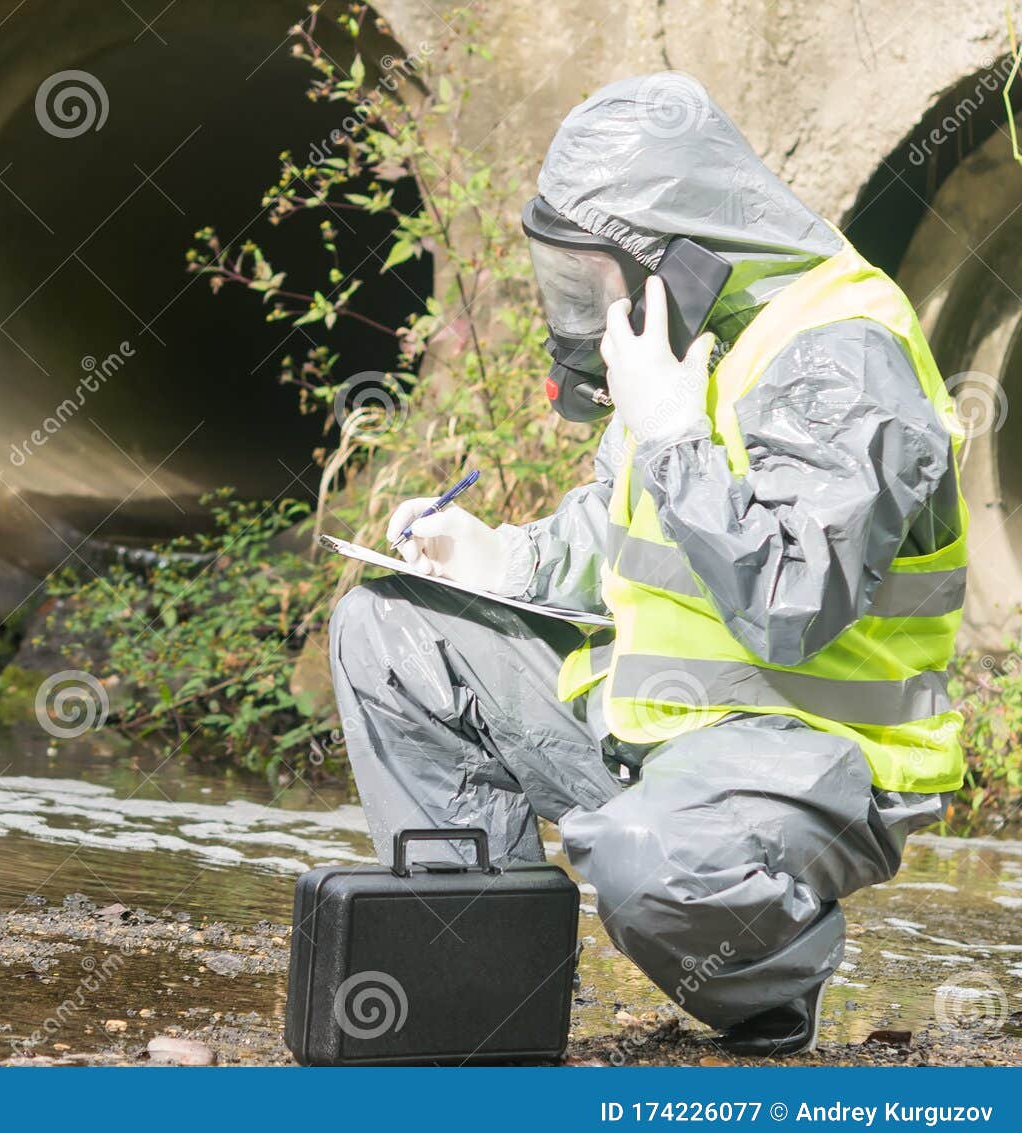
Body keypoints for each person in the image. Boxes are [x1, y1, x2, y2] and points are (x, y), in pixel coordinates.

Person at [327, 72, 966, 1057]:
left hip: (811, 758)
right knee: (387, 629)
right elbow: (621, 535)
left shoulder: (842, 354)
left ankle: (767, 985)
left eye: (593, 275)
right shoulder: (692, 331)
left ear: (681, 249)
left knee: (651, 854)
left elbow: (792, 603)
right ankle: (482, 987)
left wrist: (671, 433)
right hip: (656, 730)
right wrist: (500, 554)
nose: (584, 306)